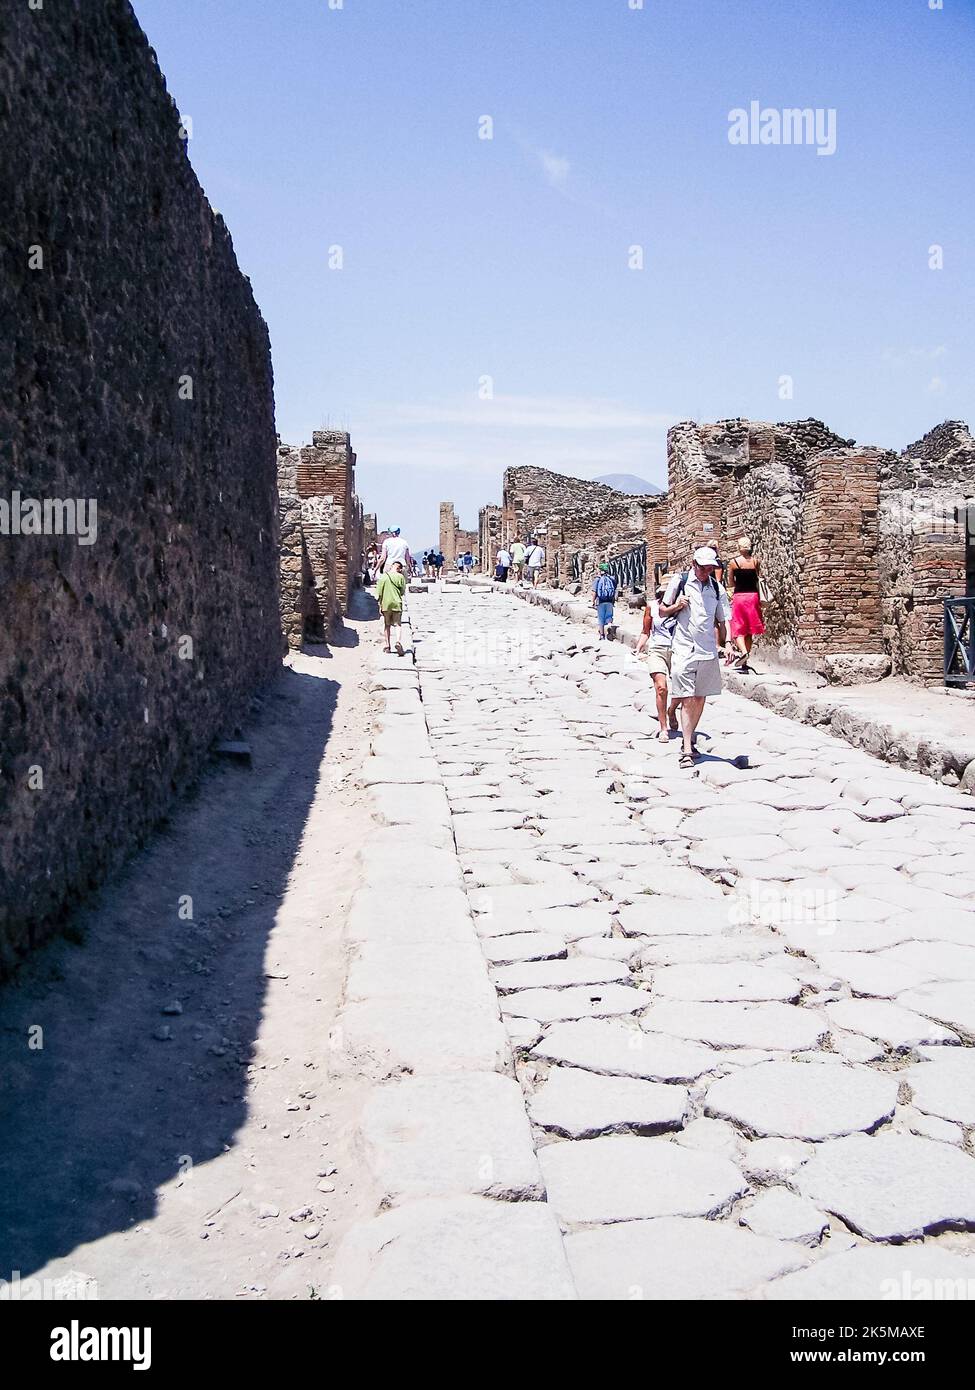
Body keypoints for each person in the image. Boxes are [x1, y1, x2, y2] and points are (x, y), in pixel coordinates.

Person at [659, 546, 731, 768]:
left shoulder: (717, 588)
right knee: (688, 696)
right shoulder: (679, 581)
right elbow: (662, 610)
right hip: (683, 647)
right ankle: (687, 748)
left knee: (699, 697)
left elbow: (723, 619)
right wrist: (676, 606)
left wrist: (727, 643)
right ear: (693, 564)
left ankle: (688, 740)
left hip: (707, 649)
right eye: (702, 568)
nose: (706, 572)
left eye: (710, 568)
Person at [635, 579, 680, 742]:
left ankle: (672, 710)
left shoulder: (682, 607)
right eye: (663, 592)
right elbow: (646, 631)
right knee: (661, 688)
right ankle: (663, 728)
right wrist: (639, 646)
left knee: (682, 690)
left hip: (678, 650)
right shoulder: (652, 607)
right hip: (657, 649)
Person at [724, 537, 765, 671]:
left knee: (738, 627)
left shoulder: (734, 562)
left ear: (739, 547)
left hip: (740, 596)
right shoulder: (755, 561)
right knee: (749, 629)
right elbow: (757, 577)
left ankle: (743, 652)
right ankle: (746, 660)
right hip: (753, 596)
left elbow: (730, 582)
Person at [376, 559, 407, 655]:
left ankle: (387, 646)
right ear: (399, 569)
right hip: (397, 603)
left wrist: (379, 604)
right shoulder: (400, 577)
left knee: (387, 625)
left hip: (386, 604)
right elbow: (402, 591)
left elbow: (379, 592)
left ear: (392, 566)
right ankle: (398, 641)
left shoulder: (384, 577)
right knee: (397, 624)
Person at [591, 562, 618, 639]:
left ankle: (602, 635)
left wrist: (593, 602)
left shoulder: (597, 579)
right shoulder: (611, 578)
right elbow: (615, 588)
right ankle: (609, 625)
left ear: (600, 570)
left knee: (601, 618)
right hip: (610, 601)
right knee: (609, 615)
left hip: (600, 601)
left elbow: (594, 592)